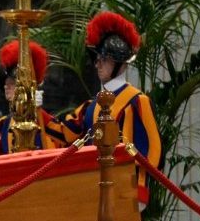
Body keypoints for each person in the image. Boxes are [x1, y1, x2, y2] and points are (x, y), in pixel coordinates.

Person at [46, 11, 162, 204]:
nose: (97, 64)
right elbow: (65, 133)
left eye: (104, 59)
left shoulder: (136, 101)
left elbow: (151, 152)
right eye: (96, 59)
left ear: (120, 63)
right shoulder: (91, 106)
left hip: (126, 191)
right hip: (92, 189)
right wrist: (35, 112)